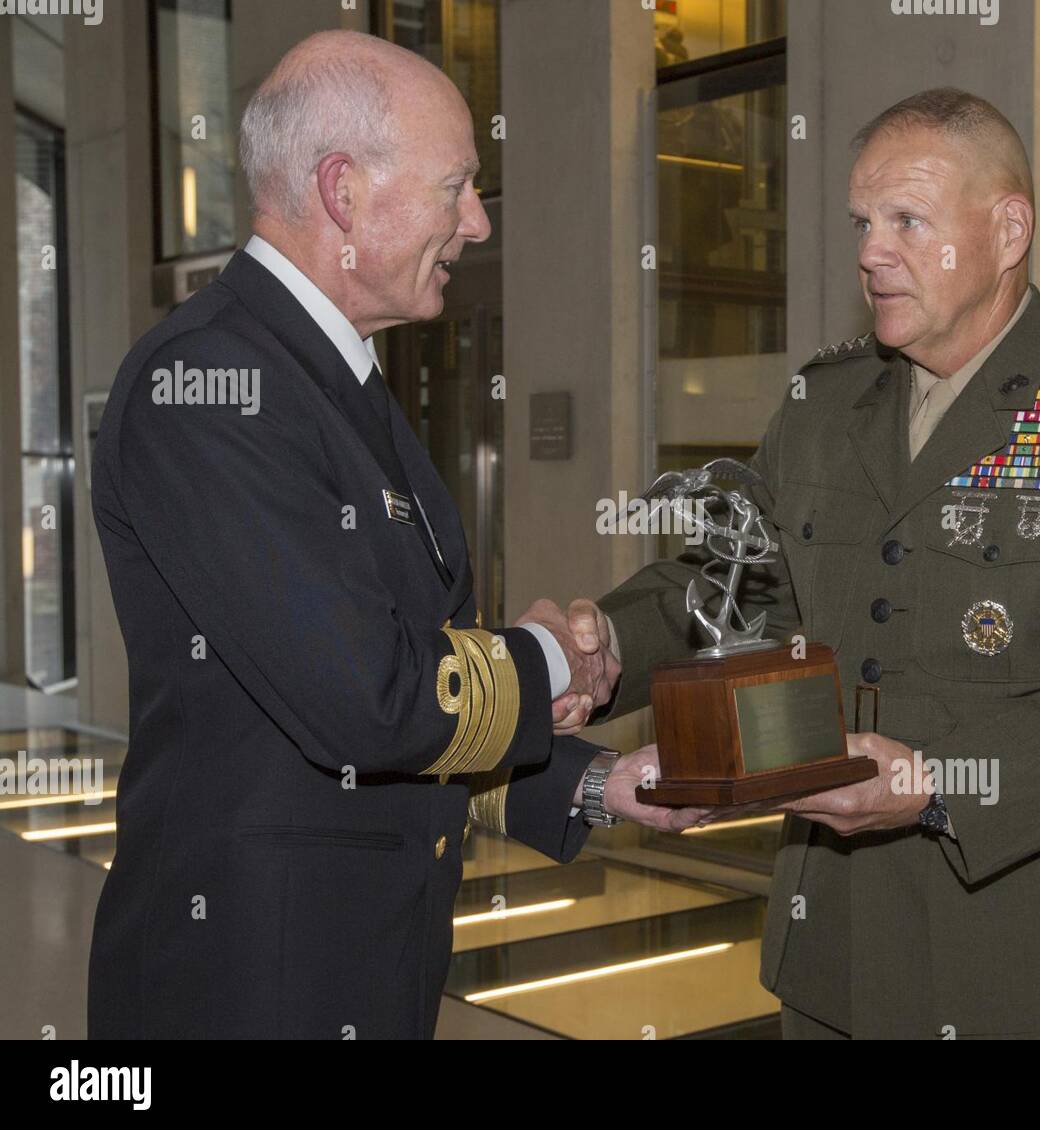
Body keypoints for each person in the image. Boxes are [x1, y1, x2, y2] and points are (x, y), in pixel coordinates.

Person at [547, 87, 1040, 1039]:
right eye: (864, 221)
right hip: (836, 957)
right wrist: (597, 648)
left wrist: (940, 781)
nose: (871, 250)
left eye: (908, 219)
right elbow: (745, 583)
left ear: (1008, 229)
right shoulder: (828, 404)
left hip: (1031, 974)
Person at [89, 30, 693, 1040]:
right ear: (343, 192)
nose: (476, 219)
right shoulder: (208, 387)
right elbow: (368, 697)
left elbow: (419, 690)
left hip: (360, 966)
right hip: (247, 986)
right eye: (454, 184)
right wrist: (549, 655)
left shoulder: (336, 384)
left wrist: (589, 779)